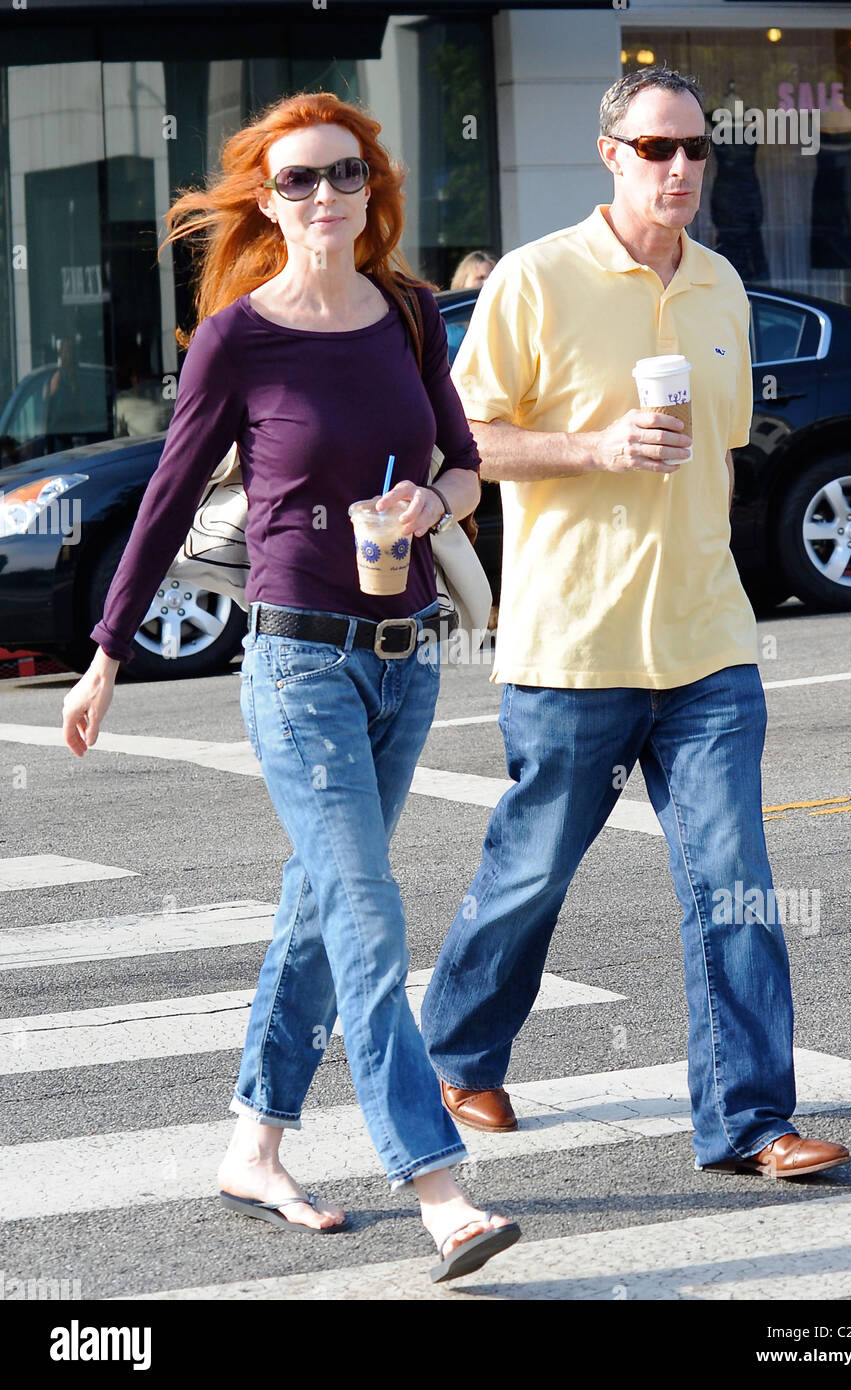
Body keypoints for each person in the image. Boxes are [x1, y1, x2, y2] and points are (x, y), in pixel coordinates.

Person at [61, 90, 520, 1282]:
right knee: (368, 918)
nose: (325, 196)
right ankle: (439, 1187)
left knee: (320, 910)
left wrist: (431, 502)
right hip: (296, 662)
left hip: (406, 659)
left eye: (345, 175)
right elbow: (165, 497)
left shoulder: (413, 317)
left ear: (372, 190)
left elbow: (465, 470)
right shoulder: (239, 337)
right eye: (299, 180)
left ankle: (253, 1142)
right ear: (268, 201)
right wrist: (108, 649)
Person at [421, 67, 851, 1181]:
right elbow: (463, 450)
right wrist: (594, 447)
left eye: (696, 150)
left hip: (708, 641)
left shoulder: (718, 287)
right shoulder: (536, 281)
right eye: (655, 149)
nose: (678, 169)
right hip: (572, 645)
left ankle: (751, 1122)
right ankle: (457, 1053)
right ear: (608, 154)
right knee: (528, 876)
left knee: (732, 881)